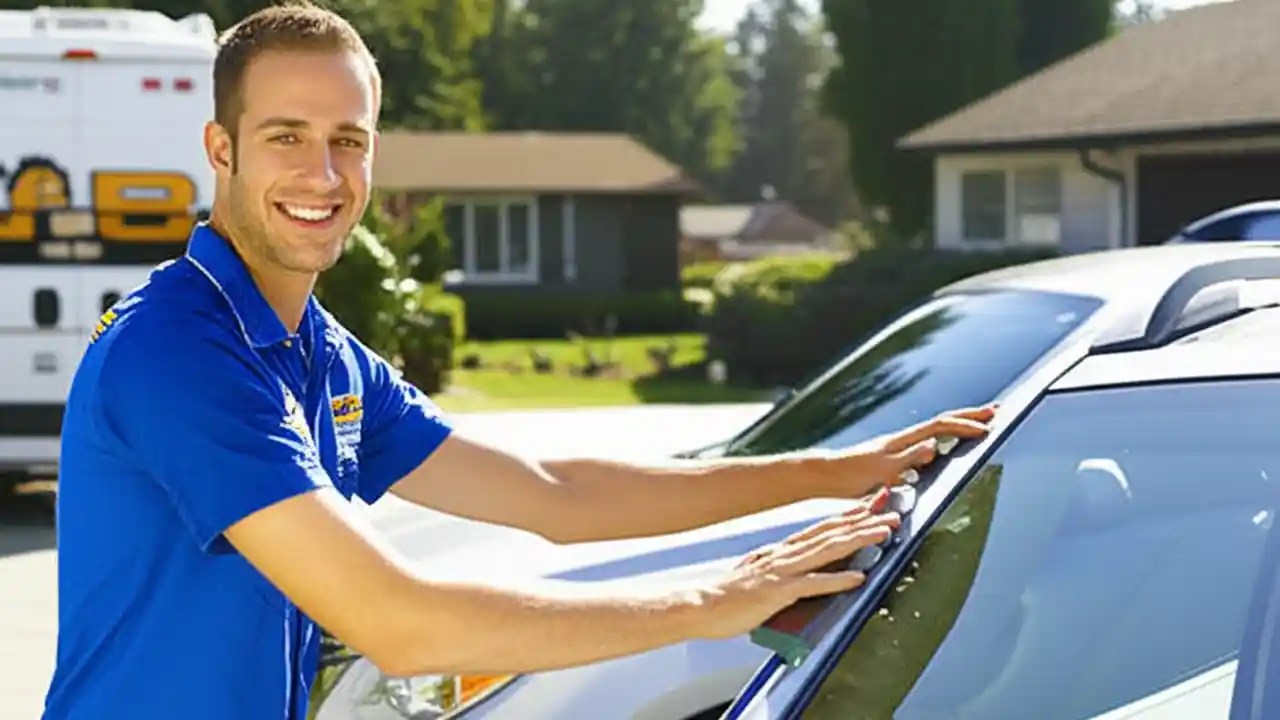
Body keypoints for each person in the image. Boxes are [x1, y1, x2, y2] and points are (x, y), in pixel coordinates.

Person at [41, 3, 995, 719]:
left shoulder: (319, 355)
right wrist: (712, 598)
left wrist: (835, 472)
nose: (322, 176)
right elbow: (396, 621)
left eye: (348, 142)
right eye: (286, 137)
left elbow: (552, 493)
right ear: (221, 148)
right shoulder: (177, 352)